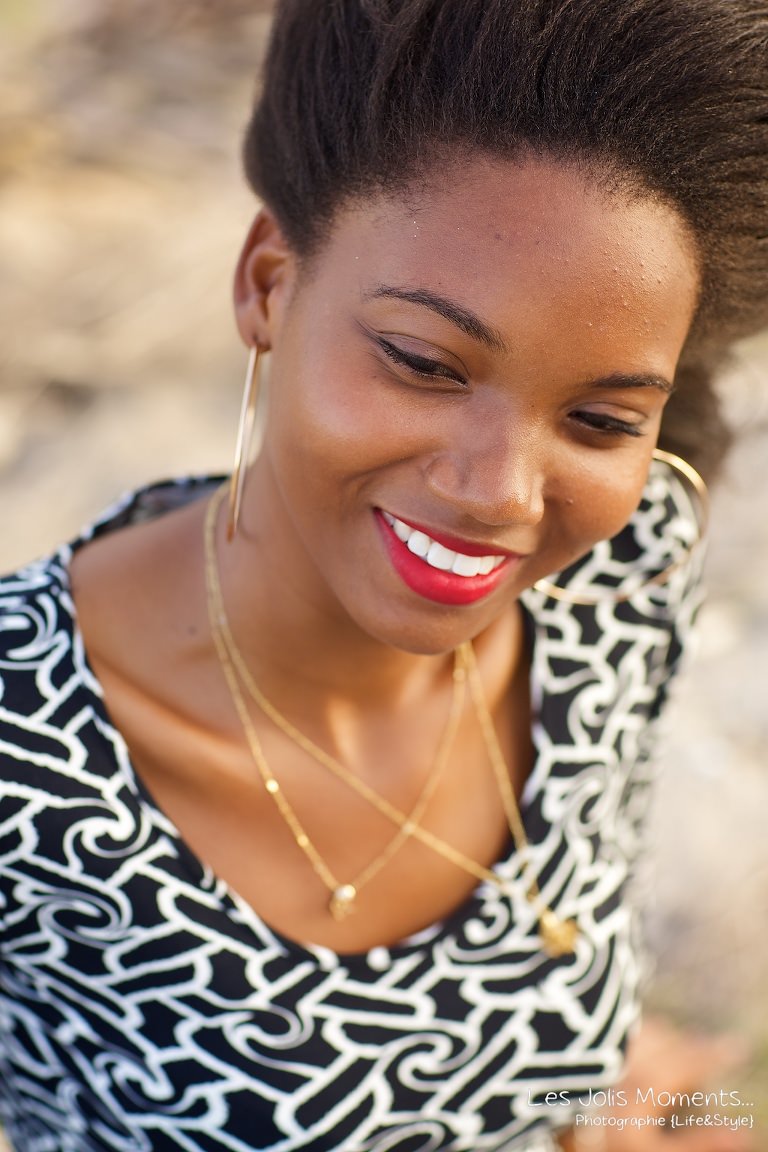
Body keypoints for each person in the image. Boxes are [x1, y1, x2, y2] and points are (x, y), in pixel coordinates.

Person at [0, 0, 766, 1149]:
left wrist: (617, 1096)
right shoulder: (23, 763)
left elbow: (561, 987)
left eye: (600, 418)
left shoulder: (621, 578)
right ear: (268, 281)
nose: (502, 493)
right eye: (422, 361)